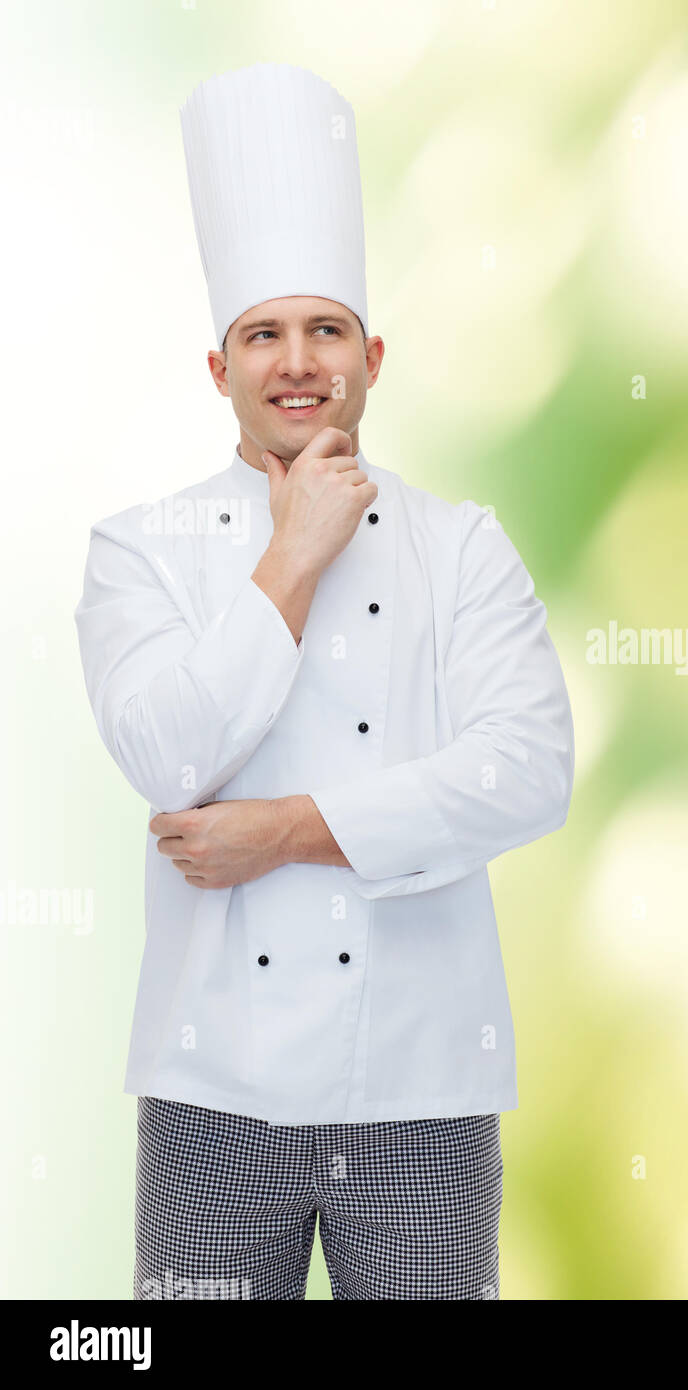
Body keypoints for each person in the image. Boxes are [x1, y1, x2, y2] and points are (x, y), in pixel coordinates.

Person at [72, 62, 574, 1301]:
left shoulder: (463, 545)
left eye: (325, 329)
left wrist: (288, 832)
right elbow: (166, 753)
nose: (297, 363)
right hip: (211, 1090)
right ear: (220, 367)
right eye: (263, 335)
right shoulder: (138, 549)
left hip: (424, 1084)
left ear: (372, 354)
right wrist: (293, 552)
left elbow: (526, 772)